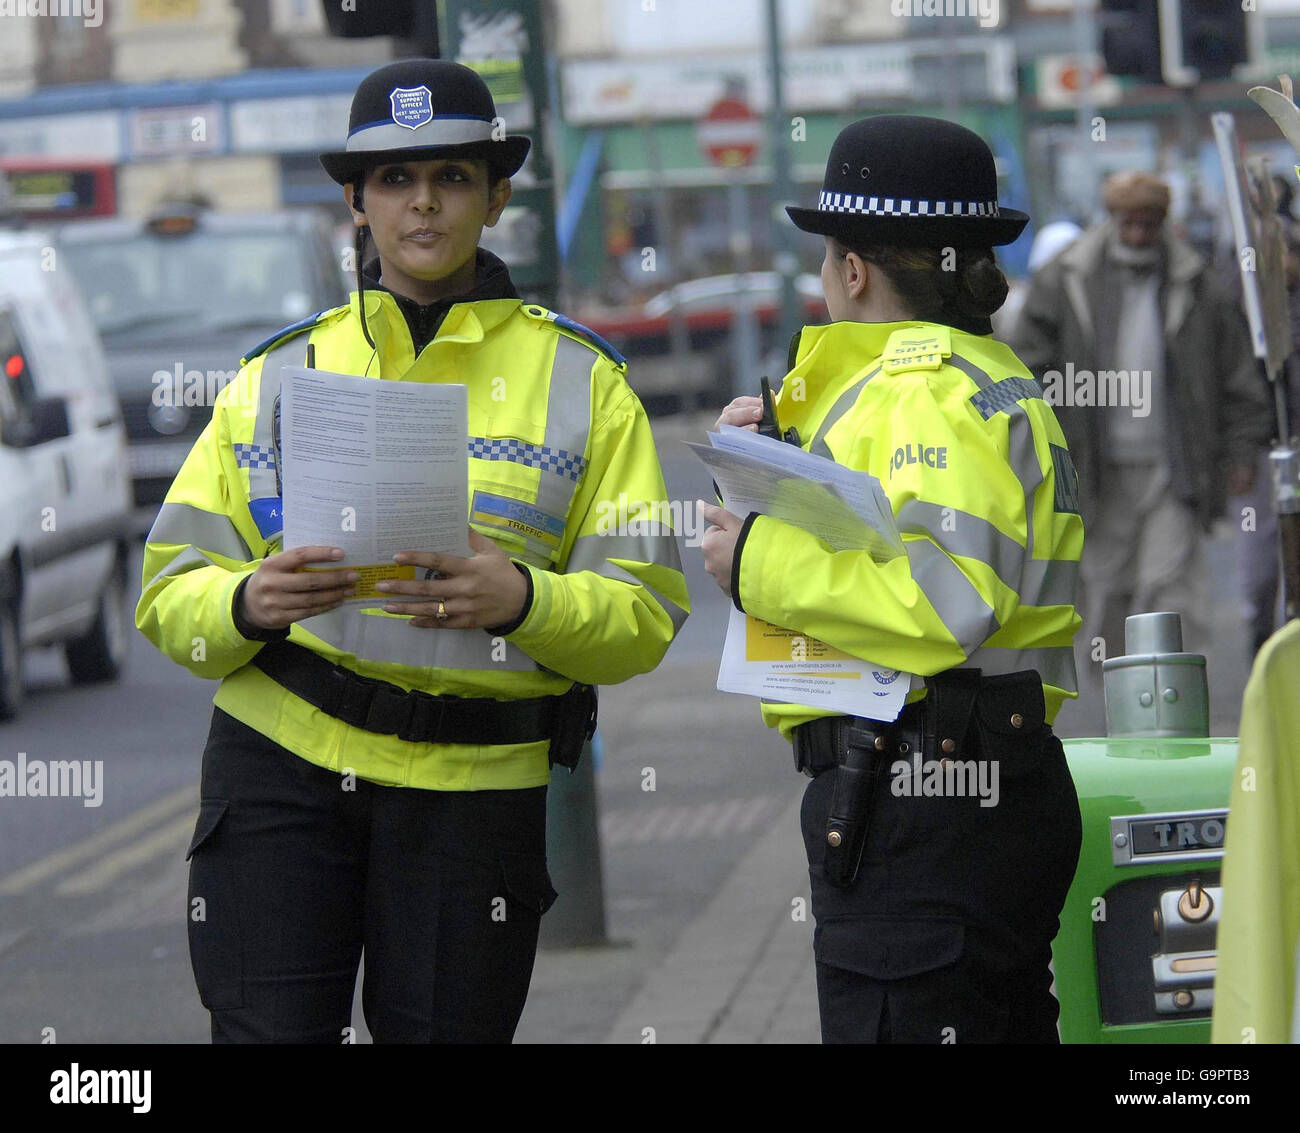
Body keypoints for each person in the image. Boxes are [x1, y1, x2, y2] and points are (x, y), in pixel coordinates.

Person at [135, 58, 689, 1044]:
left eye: (450, 176)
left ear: (496, 195)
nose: (422, 202)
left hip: (471, 795)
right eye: (394, 179)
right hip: (281, 767)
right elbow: (167, 592)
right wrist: (249, 602)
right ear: (356, 200)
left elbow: (642, 619)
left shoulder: (586, 383)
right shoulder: (276, 373)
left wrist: (521, 599)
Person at [699, 115, 1084, 1043]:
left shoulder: (922, 392)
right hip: (974, 783)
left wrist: (753, 557)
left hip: (920, 794)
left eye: (826, 259)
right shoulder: (985, 374)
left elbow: (944, 602)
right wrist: (768, 470)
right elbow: (893, 545)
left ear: (855, 268)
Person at [1012, 171, 1271, 680]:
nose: (1137, 235)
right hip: (1095, 473)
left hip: (1174, 470)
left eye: (1148, 225)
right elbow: (1025, 369)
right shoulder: (1067, 280)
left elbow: (1237, 376)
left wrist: (1240, 452)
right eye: (1129, 223)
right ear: (1112, 219)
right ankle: (1121, 710)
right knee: (1109, 590)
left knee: (1171, 587)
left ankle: (1170, 702)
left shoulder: (1195, 284)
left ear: (1162, 223)